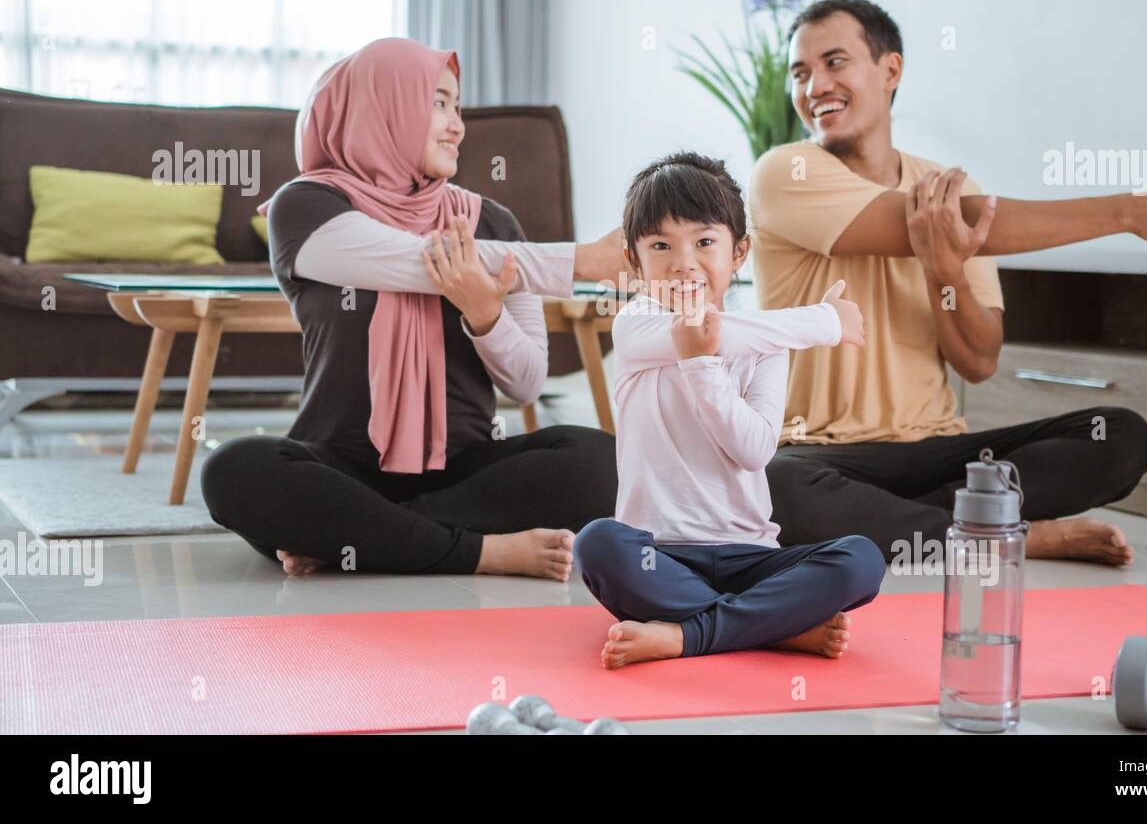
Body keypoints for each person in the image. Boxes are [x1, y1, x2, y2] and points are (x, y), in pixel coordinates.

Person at [752, 0, 1147, 566]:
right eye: (801, 73)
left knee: (1119, 435)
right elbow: (955, 222)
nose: (814, 85)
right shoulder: (785, 172)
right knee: (775, 487)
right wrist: (1126, 212)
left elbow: (978, 362)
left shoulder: (947, 186)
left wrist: (947, 277)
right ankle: (994, 530)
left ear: (890, 70)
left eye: (834, 62)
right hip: (821, 453)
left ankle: (921, 524)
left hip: (935, 448)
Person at [201, 38, 624, 579]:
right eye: (439, 103)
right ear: (384, 108)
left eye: (457, 106)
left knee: (604, 462)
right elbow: (416, 259)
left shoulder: (493, 223)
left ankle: (361, 536)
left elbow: (525, 382)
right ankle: (482, 551)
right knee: (233, 471)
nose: (458, 125)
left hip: (466, 473)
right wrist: (581, 261)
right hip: (341, 467)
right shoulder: (306, 205)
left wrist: (484, 316)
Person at [574, 153, 885, 669]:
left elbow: (752, 450)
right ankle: (775, 629)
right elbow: (723, 332)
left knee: (862, 560)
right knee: (597, 545)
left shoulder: (765, 345)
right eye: (659, 246)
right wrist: (824, 322)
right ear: (633, 261)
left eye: (704, 242)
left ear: (738, 252)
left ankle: (685, 634)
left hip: (750, 557)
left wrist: (701, 367)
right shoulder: (634, 326)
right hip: (657, 556)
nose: (683, 262)